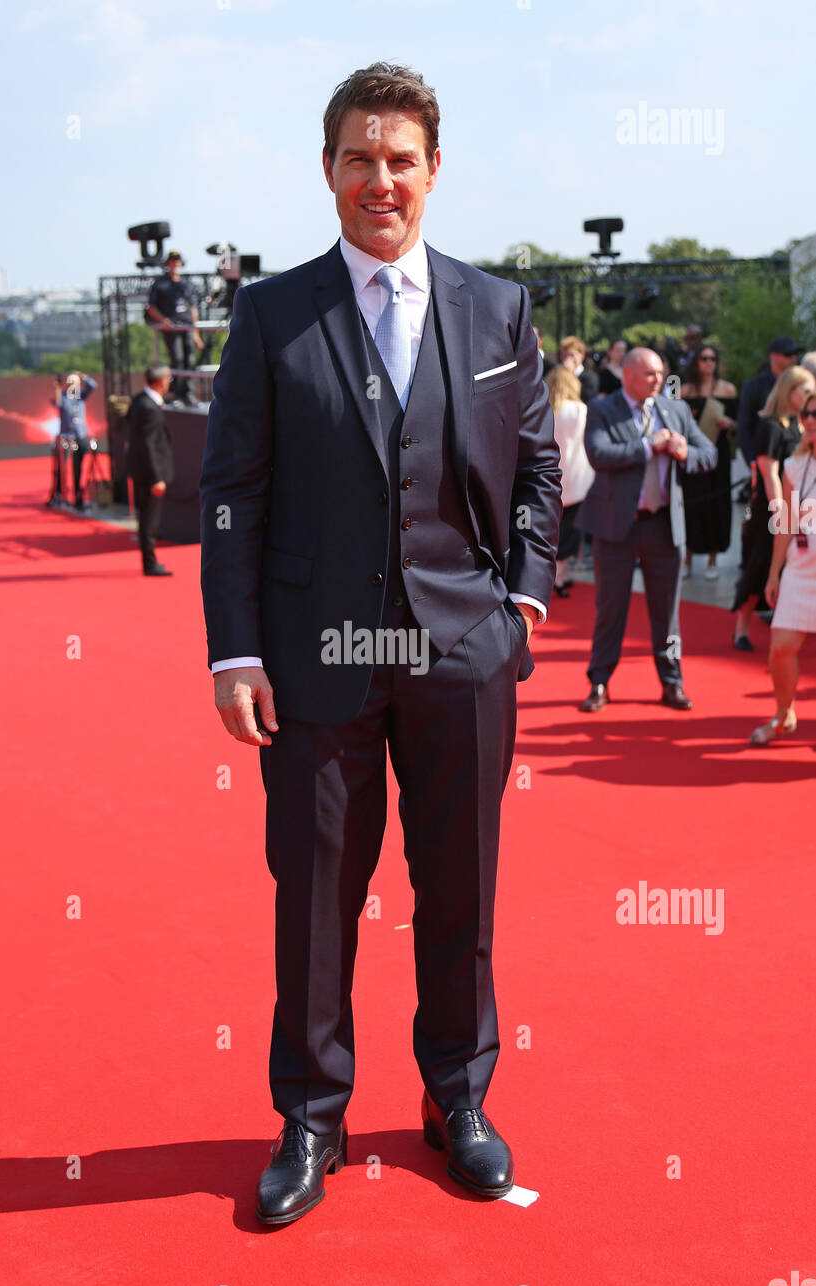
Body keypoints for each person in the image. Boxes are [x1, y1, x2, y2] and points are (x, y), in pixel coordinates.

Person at [199, 61, 562, 1226]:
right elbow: (229, 494)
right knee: (312, 894)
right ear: (326, 172)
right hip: (313, 660)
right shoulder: (267, 314)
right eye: (357, 157)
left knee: (459, 887)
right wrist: (233, 650)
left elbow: (539, 471)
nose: (379, 179)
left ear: (432, 171)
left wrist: (525, 605)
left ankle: (457, 1099)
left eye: (399, 157)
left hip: (463, 653)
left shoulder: (498, 309)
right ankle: (309, 1115)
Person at [575, 347, 717, 712]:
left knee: (667, 612)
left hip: (664, 527)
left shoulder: (676, 410)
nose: (659, 380)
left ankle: (672, 682)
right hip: (615, 529)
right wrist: (648, 446)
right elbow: (598, 454)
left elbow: (709, 454)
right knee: (610, 610)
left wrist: (685, 451)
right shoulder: (604, 409)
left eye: (660, 373)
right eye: (651, 374)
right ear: (629, 375)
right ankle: (600, 682)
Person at [731, 366, 815, 649]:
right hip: (771, 509)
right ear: (788, 391)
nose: (807, 398)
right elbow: (769, 472)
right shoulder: (770, 425)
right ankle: (742, 627)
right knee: (760, 565)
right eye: (804, 391)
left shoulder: (800, 426)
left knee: (786, 565)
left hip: (800, 509)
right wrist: (780, 512)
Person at [749, 390, 816, 744]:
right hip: (800, 568)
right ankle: (784, 713)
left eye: (815, 414)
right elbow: (787, 524)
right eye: (805, 413)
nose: (808, 420)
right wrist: (775, 573)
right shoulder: (795, 465)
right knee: (781, 647)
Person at [680, 345, 737, 579]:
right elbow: (671, 418)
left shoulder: (728, 389)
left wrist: (728, 423)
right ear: (696, 362)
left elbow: (737, 423)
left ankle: (713, 561)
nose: (708, 363)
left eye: (712, 358)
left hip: (718, 453)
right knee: (691, 503)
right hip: (693, 454)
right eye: (704, 358)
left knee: (717, 503)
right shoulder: (684, 390)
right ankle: (687, 559)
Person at [546, 365, 592, 596]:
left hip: (550, 477)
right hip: (577, 479)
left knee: (552, 528)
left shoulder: (545, 410)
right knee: (571, 530)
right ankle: (561, 574)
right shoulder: (580, 410)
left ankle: (558, 573)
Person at [126, 365, 174, 576]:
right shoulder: (148, 408)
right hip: (150, 474)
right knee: (149, 519)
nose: (169, 382)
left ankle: (149, 560)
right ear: (160, 381)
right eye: (168, 378)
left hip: (141, 470)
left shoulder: (139, 401)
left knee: (146, 517)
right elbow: (148, 444)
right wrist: (157, 478)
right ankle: (149, 562)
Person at [146, 251, 204, 406]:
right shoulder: (160, 283)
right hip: (172, 328)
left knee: (189, 360)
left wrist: (196, 333)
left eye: (178, 261)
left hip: (187, 326)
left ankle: (188, 393)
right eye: (173, 261)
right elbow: (150, 307)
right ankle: (177, 394)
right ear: (168, 263)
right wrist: (164, 320)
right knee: (177, 360)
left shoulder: (185, 284)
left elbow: (192, 308)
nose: (176, 264)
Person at [736, 336, 803, 467]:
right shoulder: (754, 386)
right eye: (788, 354)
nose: (793, 358)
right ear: (773, 356)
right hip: (767, 460)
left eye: (795, 355)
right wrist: (752, 460)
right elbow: (744, 426)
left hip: (796, 458)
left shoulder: (801, 385)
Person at [54, 371, 97, 510]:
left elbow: (93, 385)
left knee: (78, 467)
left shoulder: (80, 397)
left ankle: (79, 494)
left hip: (80, 436)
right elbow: (57, 402)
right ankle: (61, 494)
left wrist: (83, 376)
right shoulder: (63, 396)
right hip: (67, 437)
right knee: (62, 467)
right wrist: (58, 387)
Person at [559, 335, 599, 404]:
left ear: (582, 355)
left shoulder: (591, 377)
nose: (568, 359)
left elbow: (587, 398)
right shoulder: (557, 375)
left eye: (571, 355)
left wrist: (569, 373)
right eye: (565, 355)